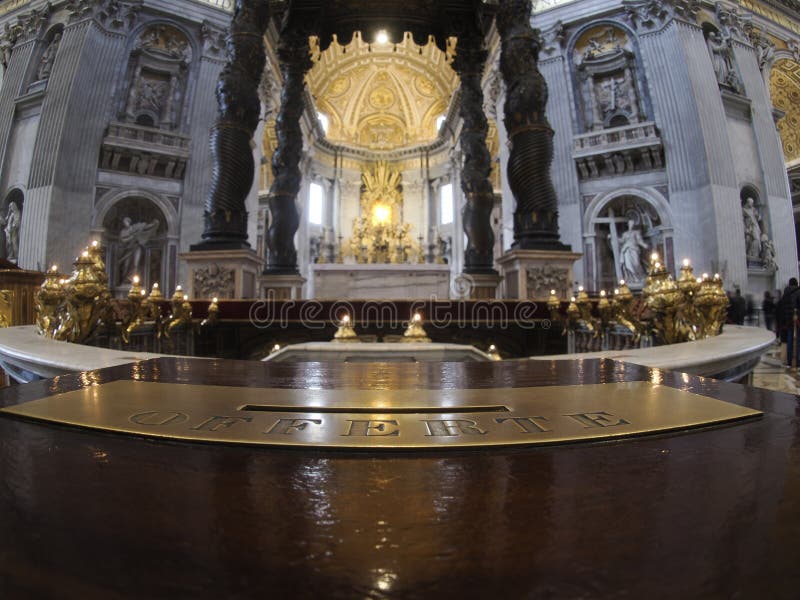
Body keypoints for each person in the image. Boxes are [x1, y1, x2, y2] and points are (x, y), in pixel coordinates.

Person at [777, 278, 800, 367]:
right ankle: (797, 361)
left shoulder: (785, 294)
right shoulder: (798, 292)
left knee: (790, 339)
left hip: (788, 320)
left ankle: (790, 360)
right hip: (797, 319)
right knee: (797, 341)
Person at [618, 219, 648, 285]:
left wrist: (644, 245)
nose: (631, 225)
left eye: (633, 223)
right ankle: (633, 278)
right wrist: (612, 237)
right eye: (630, 223)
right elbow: (621, 241)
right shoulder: (625, 234)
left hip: (634, 249)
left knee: (636, 263)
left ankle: (640, 277)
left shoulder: (636, 232)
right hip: (626, 250)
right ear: (628, 224)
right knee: (628, 265)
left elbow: (639, 241)